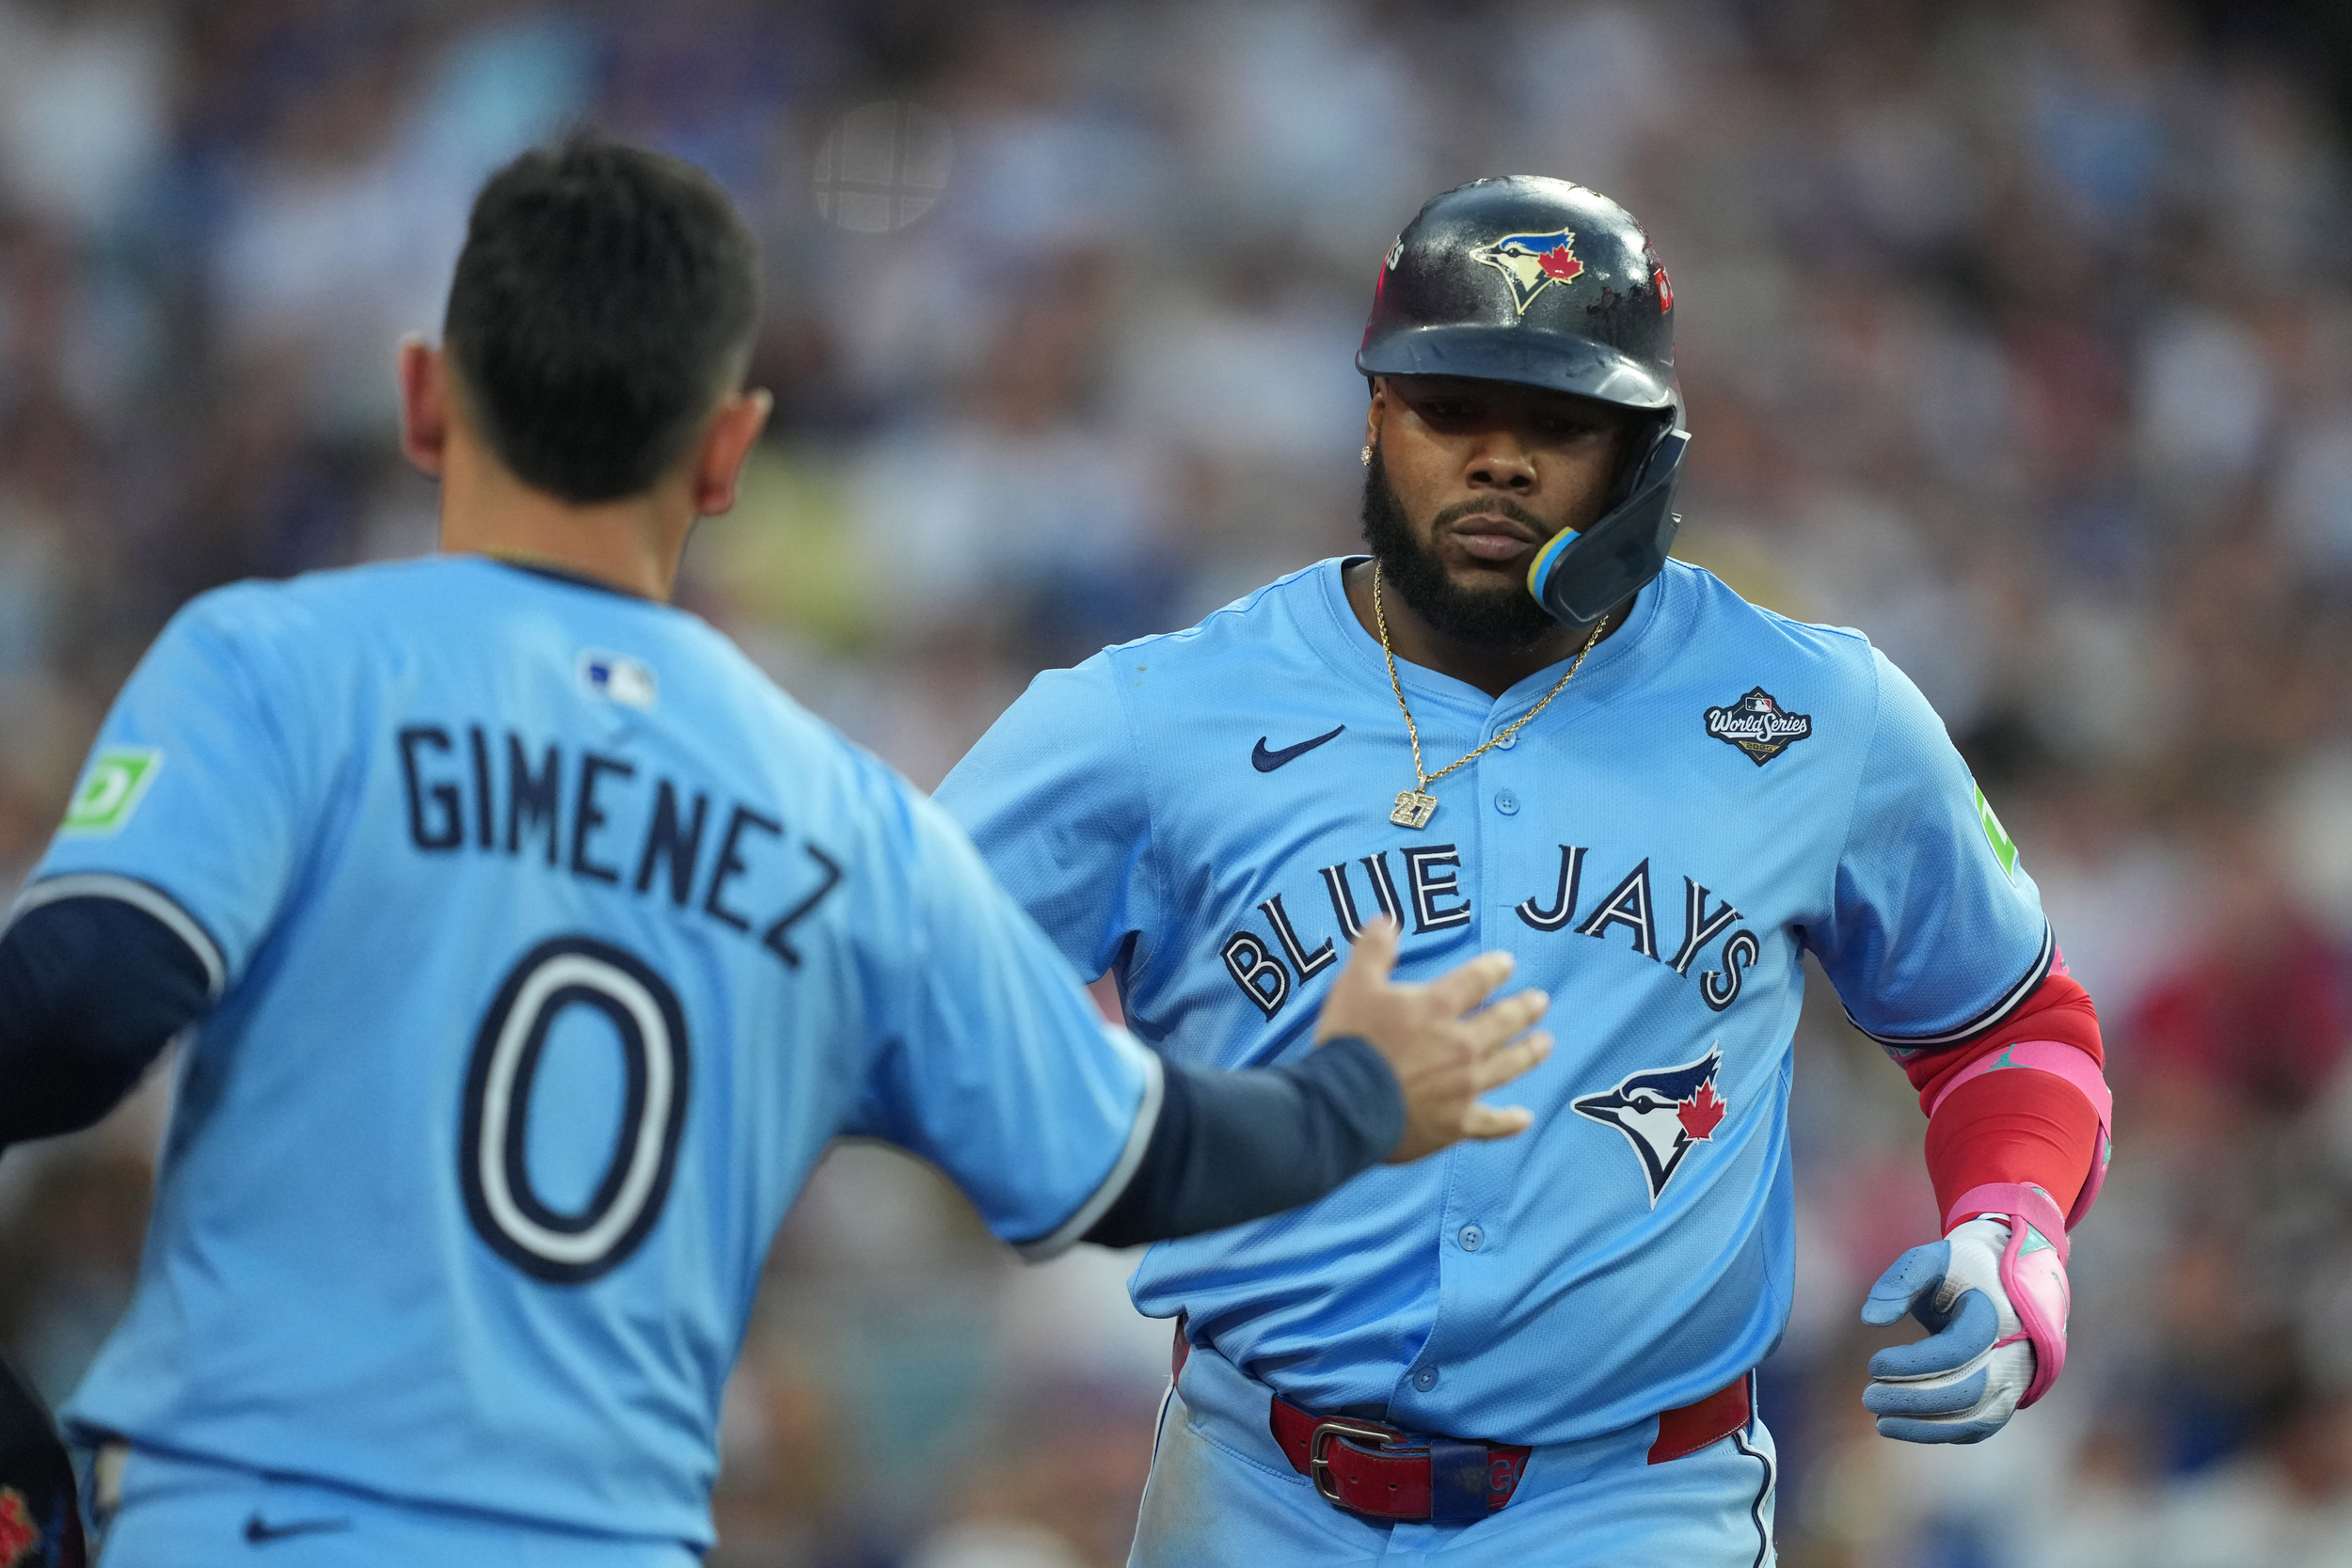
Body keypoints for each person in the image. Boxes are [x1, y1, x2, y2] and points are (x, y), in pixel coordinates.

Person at [0, 141, 1559, 1567]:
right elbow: (1136, 1167)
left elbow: (75, 1012)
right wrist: (1363, 1089)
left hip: (248, 1516)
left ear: (423, 398)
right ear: (729, 450)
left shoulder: (283, 667)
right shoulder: (841, 812)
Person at [932, 175, 2114, 1565]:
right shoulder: (1153, 716)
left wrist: (2013, 1225)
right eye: (1450, 412)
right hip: (1251, 1490)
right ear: (1375, 418)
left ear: (1645, 458)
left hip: (1630, 1504)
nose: (1499, 461)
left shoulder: (1816, 716)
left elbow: (2011, 1029)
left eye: (1557, 424)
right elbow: (879, 983)